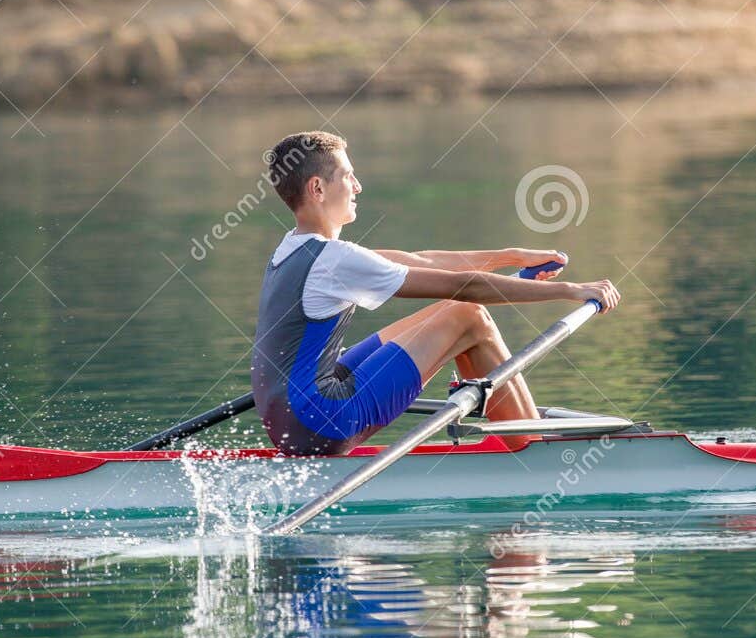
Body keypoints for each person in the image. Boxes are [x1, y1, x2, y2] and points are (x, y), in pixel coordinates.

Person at [250, 130, 622, 456]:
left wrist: (513, 257)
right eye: (348, 176)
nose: (358, 186)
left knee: (450, 313)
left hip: (290, 422)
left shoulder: (293, 250)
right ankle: (533, 450)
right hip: (324, 421)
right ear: (317, 188)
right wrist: (571, 290)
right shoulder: (334, 258)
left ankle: (510, 421)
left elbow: (420, 260)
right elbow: (466, 288)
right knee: (468, 313)